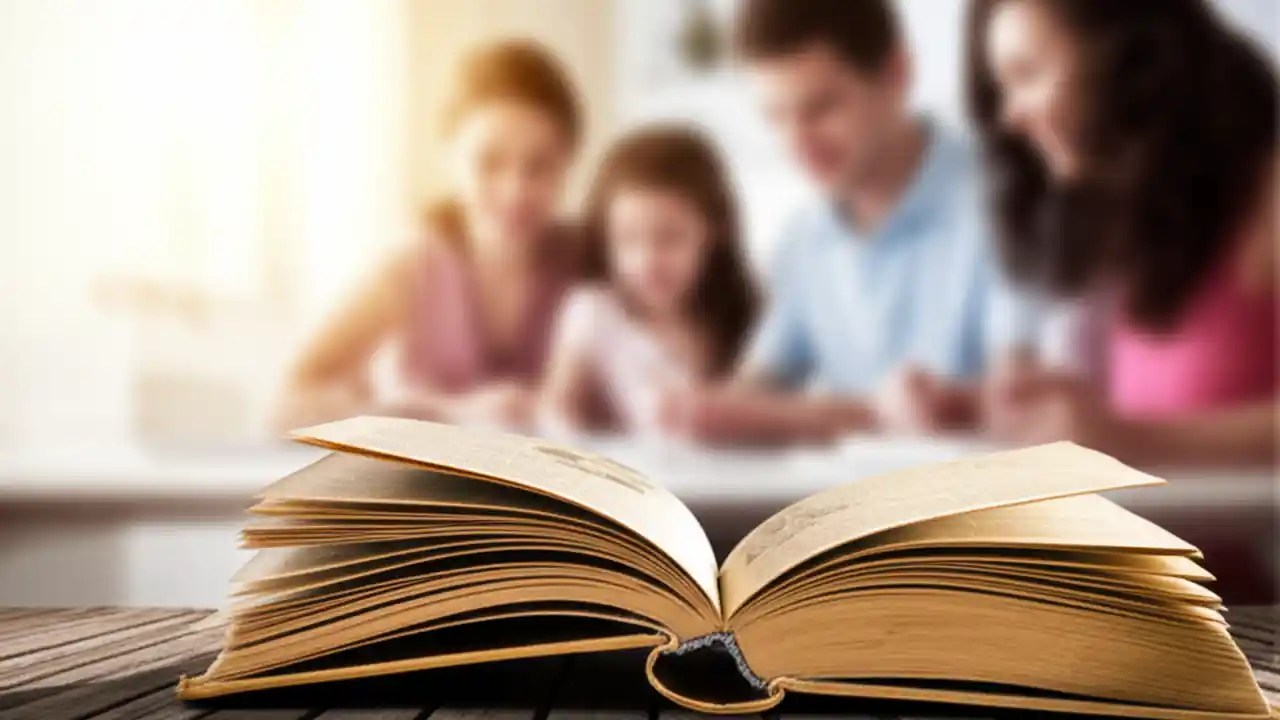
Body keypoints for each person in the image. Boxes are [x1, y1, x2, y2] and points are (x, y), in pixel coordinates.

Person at [667, 0, 1034, 444]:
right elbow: (753, 393)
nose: (797, 143)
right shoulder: (804, 239)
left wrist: (782, 416)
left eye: (820, 108)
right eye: (776, 117)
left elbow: (1026, 404)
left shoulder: (1006, 202)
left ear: (896, 75)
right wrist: (697, 407)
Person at [967, 0, 1277, 465]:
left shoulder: (1268, 194)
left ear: (1123, 59)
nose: (1010, 117)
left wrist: (1133, 442)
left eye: (1027, 74)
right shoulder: (1132, 232)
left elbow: (1135, 436)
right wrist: (978, 406)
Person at [274, 40, 584, 432]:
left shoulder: (591, 265)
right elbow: (286, 401)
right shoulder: (409, 269)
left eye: (539, 167)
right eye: (489, 163)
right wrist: (449, 413)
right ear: (451, 157)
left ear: (568, 164)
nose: (515, 191)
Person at [540, 125, 759, 435]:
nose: (648, 260)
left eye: (670, 237)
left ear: (713, 233)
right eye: (628, 239)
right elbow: (556, 410)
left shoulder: (739, 315)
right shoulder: (594, 312)